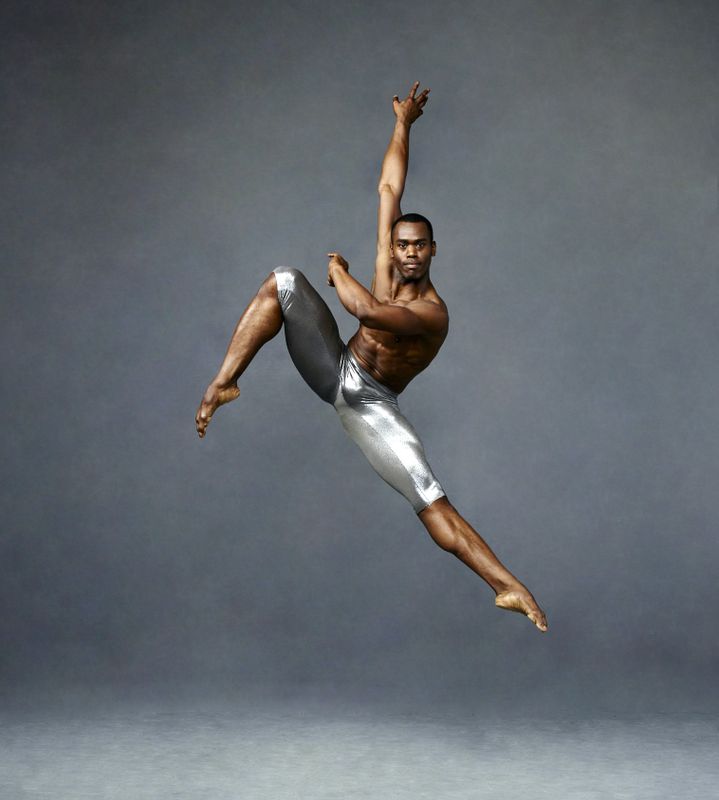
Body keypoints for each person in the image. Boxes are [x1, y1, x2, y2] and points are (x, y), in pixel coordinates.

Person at [195, 81, 548, 632]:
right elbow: (389, 183)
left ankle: (508, 586)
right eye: (401, 244)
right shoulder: (389, 257)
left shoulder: (433, 312)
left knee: (432, 500)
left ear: (433, 251)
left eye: (418, 246)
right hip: (334, 362)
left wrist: (339, 275)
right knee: (283, 280)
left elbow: (370, 314)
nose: (407, 253)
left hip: (369, 403)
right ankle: (223, 384)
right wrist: (403, 123)